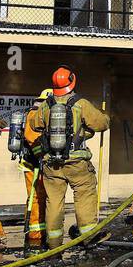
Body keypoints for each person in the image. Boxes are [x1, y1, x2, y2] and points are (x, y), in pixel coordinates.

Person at [28, 67, 109, 249]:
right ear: (72, 82)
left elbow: (34, 124)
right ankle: (88, 237)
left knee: (54, 201)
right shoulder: (80, 103)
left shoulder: (46, 105)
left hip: (51, 163)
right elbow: (101, 124)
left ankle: (54, 242)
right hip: (76, 161)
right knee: (84, 194)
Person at [17, 89, 51, 249]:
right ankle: (35, 235)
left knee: (42, 198)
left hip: (40, 164)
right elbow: (32, 139)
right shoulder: (34, 113)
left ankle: (41, 232)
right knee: (36, 198)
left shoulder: (42, 114)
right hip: (33, 165)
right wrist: (41, 156)